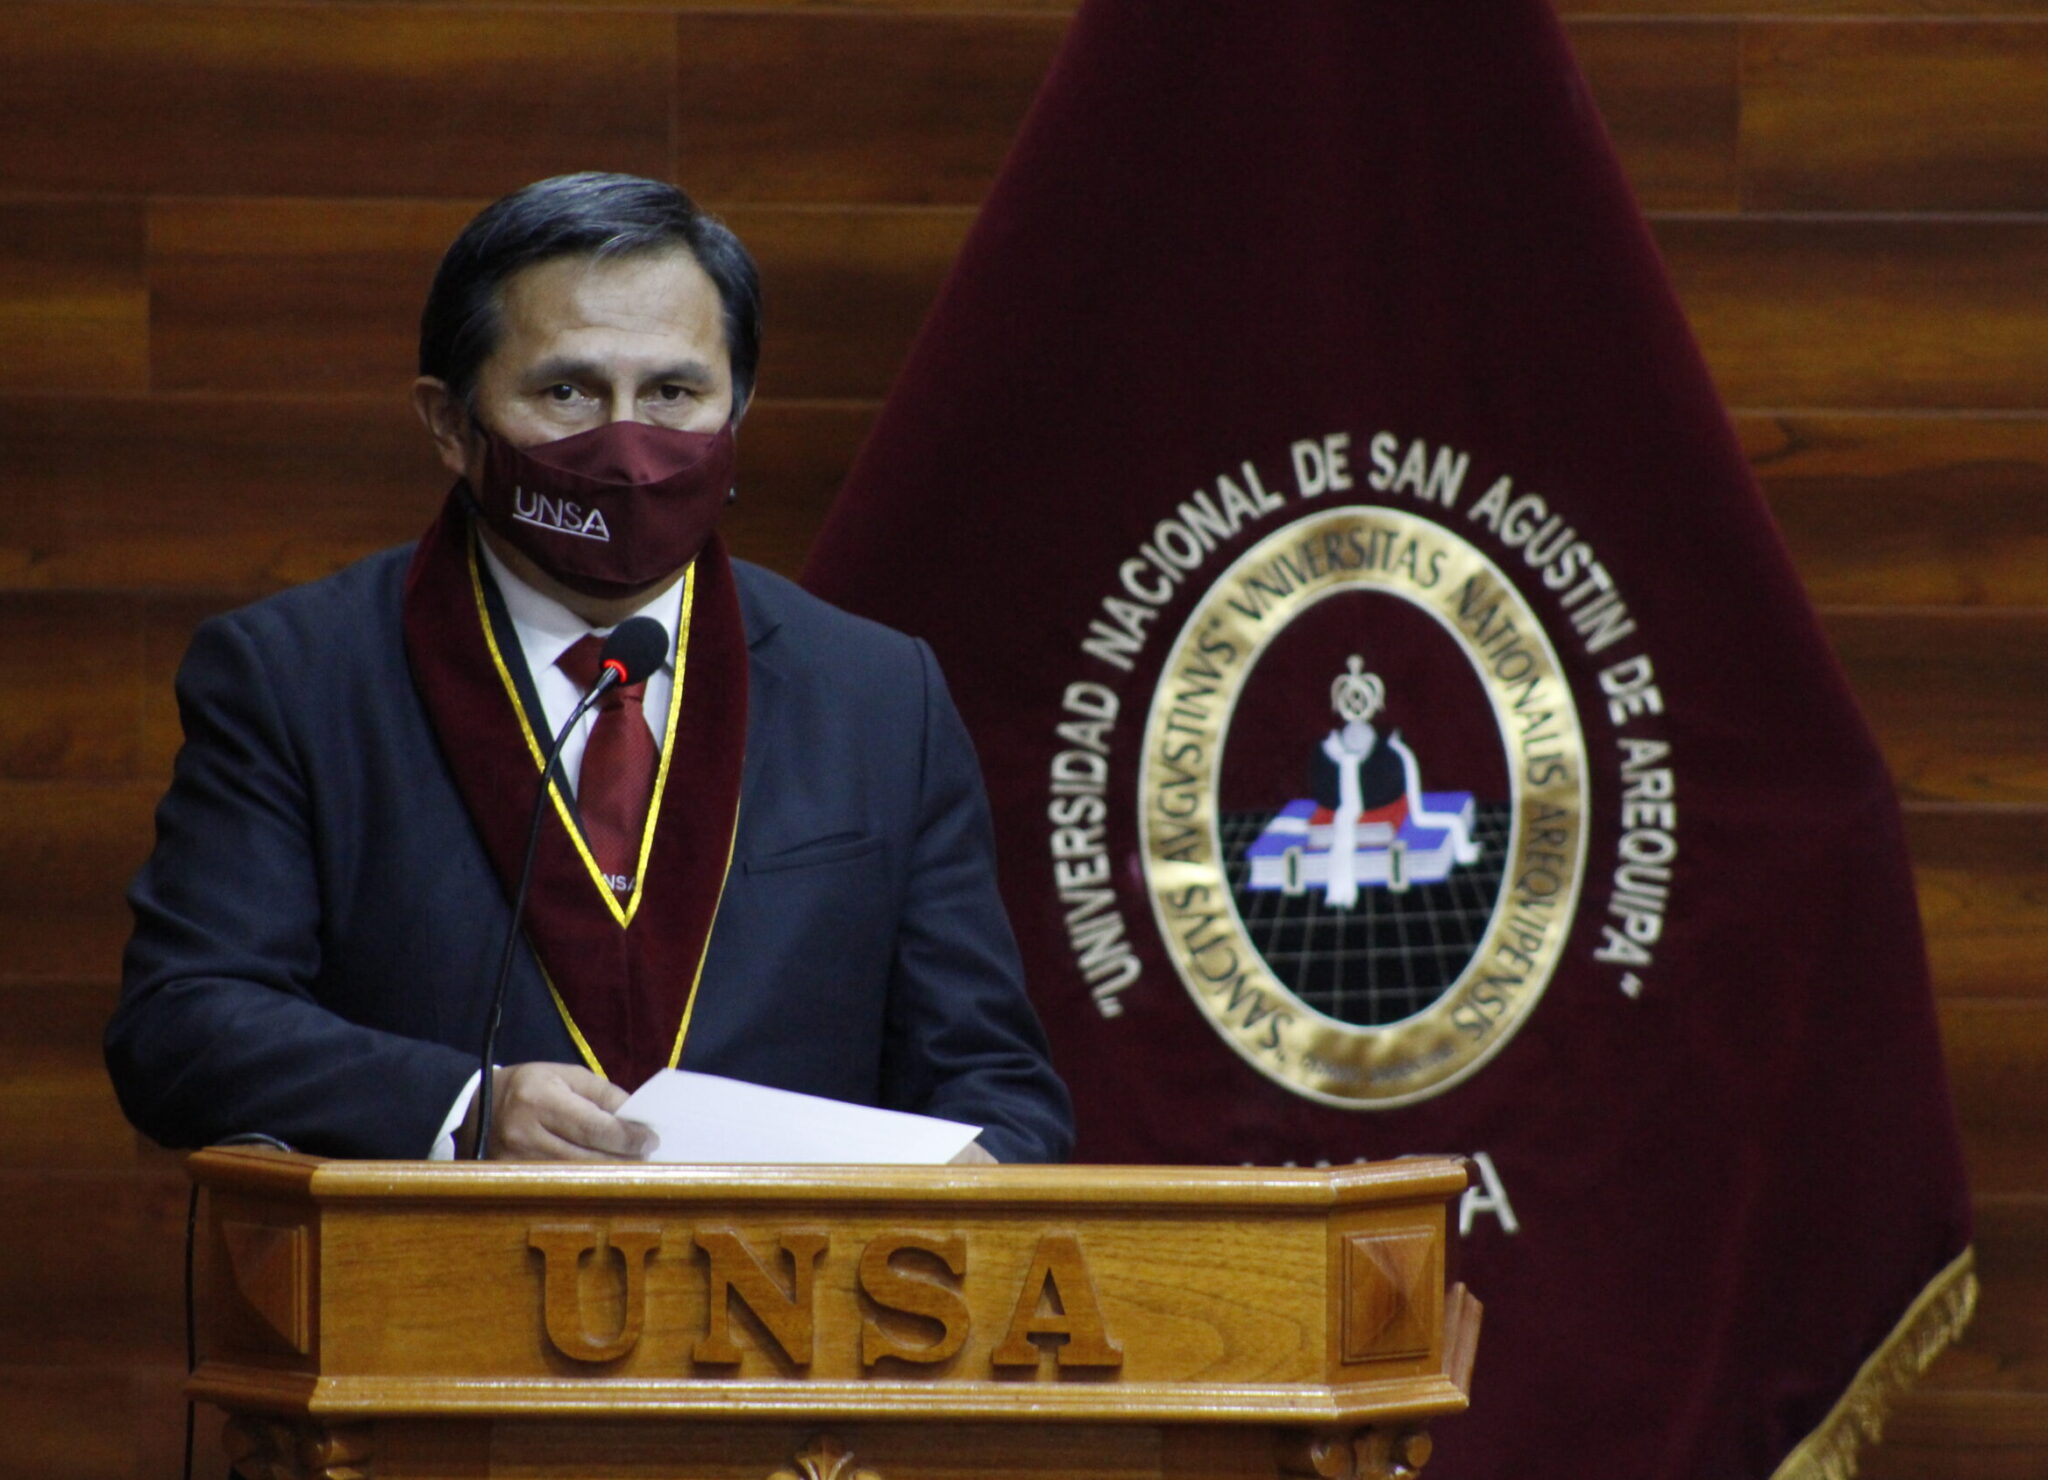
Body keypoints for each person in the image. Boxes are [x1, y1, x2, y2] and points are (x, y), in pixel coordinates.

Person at [105, 172, 1073, 1166]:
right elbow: (183, 1025)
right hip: (429, 1293)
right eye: (566, 391)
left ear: (737, 410)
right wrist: (465, 1108)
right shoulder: (296, 676)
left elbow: (997, 1088)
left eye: (672, 392)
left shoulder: (877, 694)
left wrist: (977, 1175)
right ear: (449, 423)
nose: (627, 445)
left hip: (798, 1303)